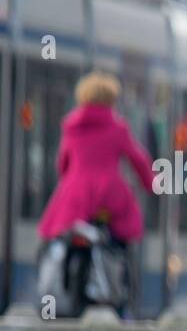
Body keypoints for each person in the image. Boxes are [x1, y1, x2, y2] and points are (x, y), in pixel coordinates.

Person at [37, 71, 155, 247]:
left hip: (76, 194)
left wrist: (70, 180)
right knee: (121, 240)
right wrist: (150, 182)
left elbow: (62, 165)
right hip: (110, 195)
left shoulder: (72, 127)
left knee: (59, 237)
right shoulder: (118, 128)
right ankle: (120, 270)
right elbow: (138, 159)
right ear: (112, 100)